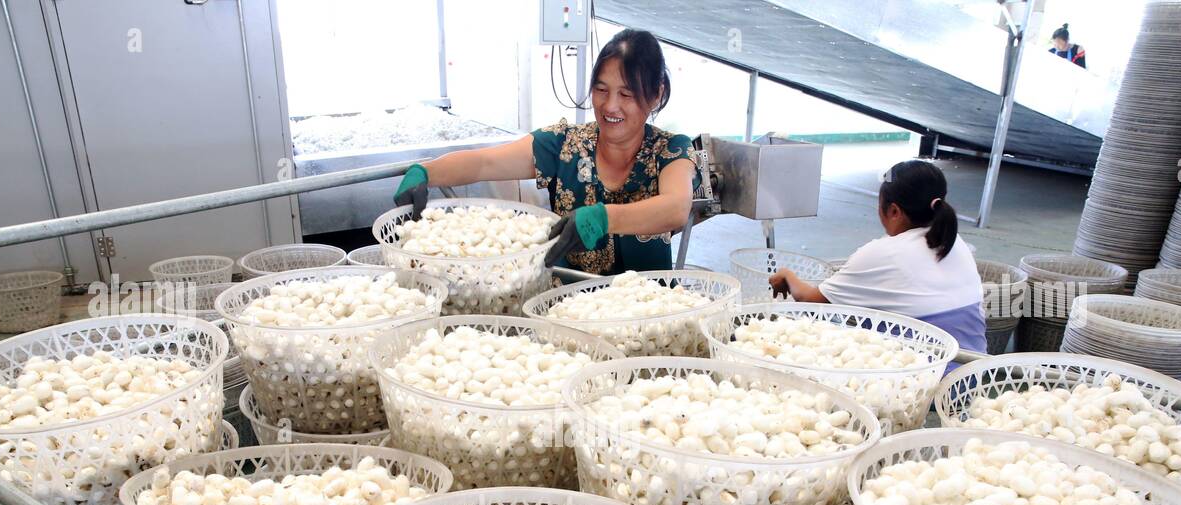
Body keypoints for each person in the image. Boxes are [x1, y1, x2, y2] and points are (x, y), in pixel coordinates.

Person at [392, 29, 696, 274]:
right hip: (562, 309)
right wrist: (426, 172)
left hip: (648, 316)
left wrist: (605, 218)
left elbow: (676, 207)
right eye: (601, 90)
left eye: (626, 94)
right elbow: (484, 163)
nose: (610, 105)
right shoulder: (566, 145)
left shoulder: (669, 150)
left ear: (657, 95)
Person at [768, 159, 987, 354]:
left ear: (893, 211)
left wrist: (788, 275)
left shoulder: (884, 253)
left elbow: (810, 300)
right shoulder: (954, 241)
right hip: (973, 368)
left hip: (933, 377)